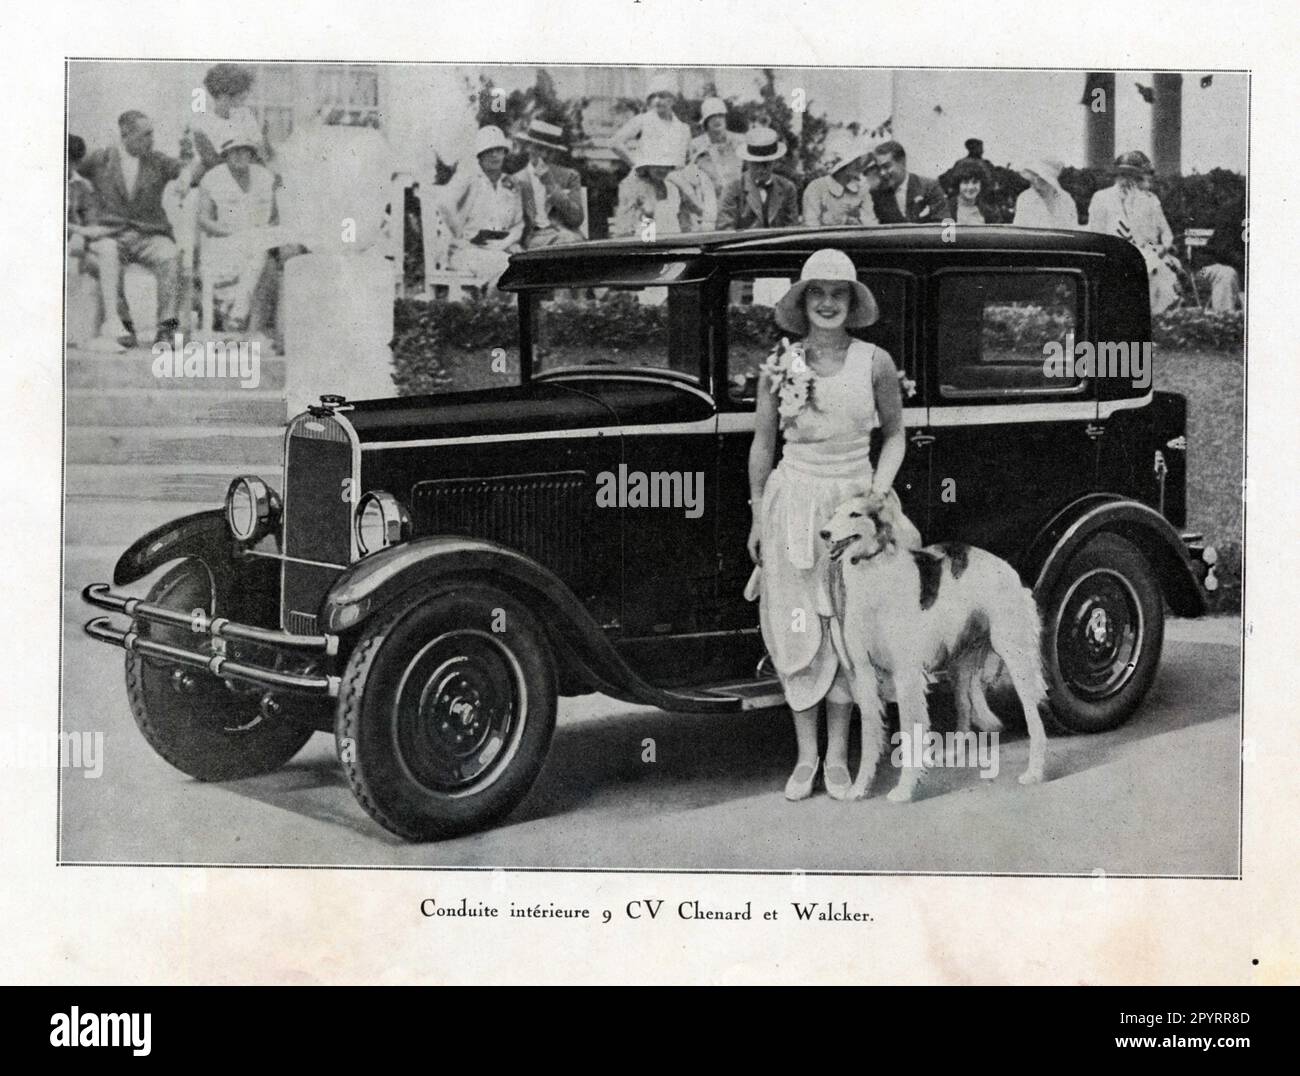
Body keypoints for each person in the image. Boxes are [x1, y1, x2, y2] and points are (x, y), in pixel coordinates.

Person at [746, 248, 922, 801]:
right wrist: (757, 511)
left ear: (852, 302)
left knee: (847, 627)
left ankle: (840, 757)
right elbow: (764, 442)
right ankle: (805, 758)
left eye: (838, 293)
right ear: (802, 302)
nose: (827, 303)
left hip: (852, 504)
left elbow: (894, 433)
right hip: (793, 504)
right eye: (816, 293)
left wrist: (879, 488)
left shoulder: (875, 361)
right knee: (797, 625)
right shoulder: (781, 364)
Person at [76, 110, 184, 348]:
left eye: (152, 133)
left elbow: (186, 169)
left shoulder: (157, 160)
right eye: (146, 134)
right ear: (126, 135)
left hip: (149, 236)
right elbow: (69, 166)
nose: (152, 139)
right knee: (107, 257)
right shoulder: (100, 159)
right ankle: (124, 324)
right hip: (112, 235)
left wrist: (190, 166)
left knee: (170, 255)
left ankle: (167, 327)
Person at [196, 136, 280, 333]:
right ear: (225, 155)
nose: (240, 155)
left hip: (260, 240)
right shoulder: (213, 178)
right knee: (264, 259)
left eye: (245, 150)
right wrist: (231, 232)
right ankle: (240, 315)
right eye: (234, 151)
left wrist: (268, 230)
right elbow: (203, 220)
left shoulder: (264, 177)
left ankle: (237, 314)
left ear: (251, 154)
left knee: (264, 255)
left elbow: (276, 217)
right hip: (226, 243)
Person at [1087, 151, 1180, 313]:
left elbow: (1166, 233)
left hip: (1146, 254)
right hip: (1111, 255)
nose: (1126, 180)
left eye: (1132, 175)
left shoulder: (1149, 200)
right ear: (1116, 175)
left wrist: (1163, 248)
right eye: (1122, 174)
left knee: (1158, 279)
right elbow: (1096, 234)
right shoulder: (1101, 198)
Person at [440, 125, 525, 288]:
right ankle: (495, 310)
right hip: (466, 253)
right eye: (489, 150)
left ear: (505, 152)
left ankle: (503, 310)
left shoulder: (510, 183)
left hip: (499, 251)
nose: (494, 155)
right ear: (480, 155)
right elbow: (444, 203)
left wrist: (509, 241)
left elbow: (518, 224)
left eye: (499, 150)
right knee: (507, 268)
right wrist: (460, 234)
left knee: (522, 266)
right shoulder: (469, 176)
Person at [513, 118, 586, 249]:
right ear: (529, 147)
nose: (545, 155)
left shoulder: (569, 176)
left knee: (570, 240)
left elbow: (576, 219)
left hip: (566, 234)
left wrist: (551, 185)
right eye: (539, 148)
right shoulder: (516, 180)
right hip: (533, 237)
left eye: (550, 151)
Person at [189, 63, 265, 185]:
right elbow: (210, 160)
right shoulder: (203, 123)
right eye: (238, 94)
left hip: (249, 174)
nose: (243, 98)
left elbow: (258, 149)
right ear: (223, 94)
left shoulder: (245, 115)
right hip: (217, 179)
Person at [716, 127, 800, 230]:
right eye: (756, 164)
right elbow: (725, 231)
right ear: (747, 162)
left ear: (774, 161)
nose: (761, 170)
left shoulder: (788, 188)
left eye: (766, 164)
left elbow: (792, 229)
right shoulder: (733, 189)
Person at [609, 77, 691, 171]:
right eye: (654, 96)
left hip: (674, 181)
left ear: (673, 100)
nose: (657, 100)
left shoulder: (683, 128)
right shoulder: (643, 120)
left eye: (662, 96)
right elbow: (614, 142)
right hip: (647, 180)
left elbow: (687, 159)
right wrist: (637, 165)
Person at [612, 149, 690, 238]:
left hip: (674, 241)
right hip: (646, 244)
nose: (663, 170)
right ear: (647, 167)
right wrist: (648, 216)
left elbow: (679, 221)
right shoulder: (635, 189)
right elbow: (628, 229)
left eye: (667, 166)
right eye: (658, 166)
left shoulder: (673, 188)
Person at [801, 145, 880, 227]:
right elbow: (810, 224)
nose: (859, 165)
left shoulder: (862, 189)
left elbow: (873, 224)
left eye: (858, 161)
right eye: (854, 161)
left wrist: (860, 215)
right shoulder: (816, 187)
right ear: (842, 167)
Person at [870, 140, 946, 223]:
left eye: (886, 167)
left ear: (902, 162)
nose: (882, 173)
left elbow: (944, 227)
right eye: (879, 168)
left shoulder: (930, 188)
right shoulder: (878, 194)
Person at [1197, 193, 1245, 312]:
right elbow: (1223, 251)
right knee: (1226, 274)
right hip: (1204, 269)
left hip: (1237, 269)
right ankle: (1224, 322)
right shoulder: (1232, 210)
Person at [688, 96, 744, 199]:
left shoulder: (740, 141)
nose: (717, 119)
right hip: (710, 201)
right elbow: (690, 176)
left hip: (738, 199)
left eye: (720, 115)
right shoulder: (696, 145)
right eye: (712, 116)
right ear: (706, 120)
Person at [1012, 157, 1079, 229]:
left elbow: (1073, 230)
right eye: (1034, 176)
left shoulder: (1066, 200)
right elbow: (1019, 232)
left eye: (1041, 177)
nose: (1036, 181)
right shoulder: (1025, 199)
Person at [945, 158, 1000, 224]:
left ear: (981, 184)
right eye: (965, 182)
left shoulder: (991, 212)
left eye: (975, 182)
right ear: (958, 184)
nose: (970, 187)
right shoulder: (945, 209)